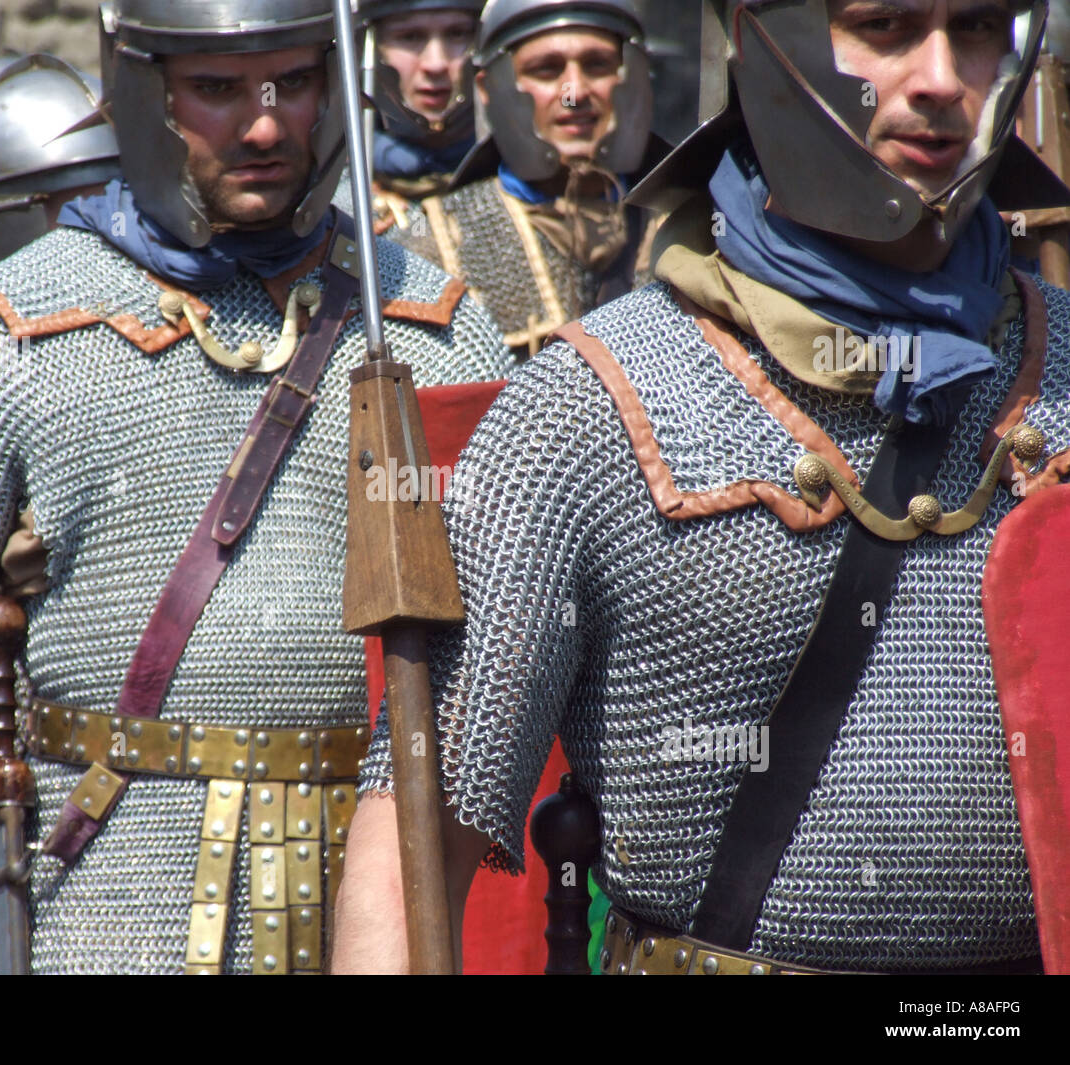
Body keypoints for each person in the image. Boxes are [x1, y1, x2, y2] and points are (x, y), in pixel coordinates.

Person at [334, 0, 1070, 974]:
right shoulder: (585, 409)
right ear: (770, 35)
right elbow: (412, 853)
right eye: (884, 25)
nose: (941, 77)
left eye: (974, 26)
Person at [0, 0, 511, 975]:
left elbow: (499, 660)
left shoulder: (432, 329)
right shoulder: (17, 332)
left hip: (384, 892)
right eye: (219, 89)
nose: (267, 124)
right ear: (146, 92)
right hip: (119, 896)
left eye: (293, 83)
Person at [392, 0, 662, 357]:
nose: (575, 93)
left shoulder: (691, 225)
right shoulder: (432, 246)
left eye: (597, 65)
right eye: (546, 70)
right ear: (490, 89)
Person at [338, 0, 484, 234]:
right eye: (410, 36)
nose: (435, 64)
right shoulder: (330, 211)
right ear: (369, 48)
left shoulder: (536, 184)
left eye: (457, 33)